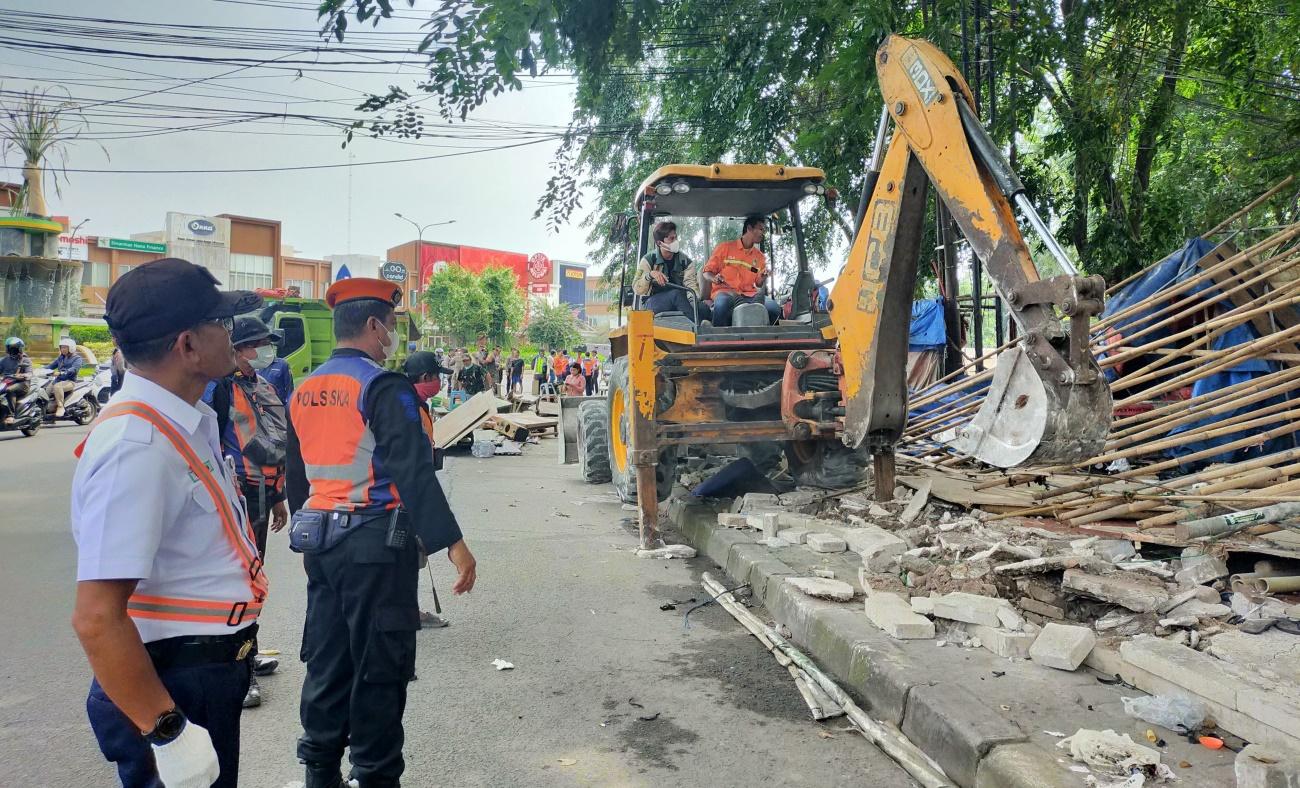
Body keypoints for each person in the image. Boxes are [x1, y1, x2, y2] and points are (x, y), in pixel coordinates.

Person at [70, 258, 266, 788]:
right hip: (169, 681)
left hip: (198, 671)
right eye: (221, 323)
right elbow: (96, 618)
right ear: (188, 345)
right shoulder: (138, 445)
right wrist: (167, 729)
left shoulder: (182, 421)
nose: (232, 335)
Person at [286, 278, 475, 788]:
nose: (393, 336)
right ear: (374, 325)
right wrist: (453, 544)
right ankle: (373, 774)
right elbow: (413, 470)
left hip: (321, 544)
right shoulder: (382, 387)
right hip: (374, 546)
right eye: (391, 325)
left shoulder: (304, 390)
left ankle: (320, 772)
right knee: (379, 669)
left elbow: (297, 477)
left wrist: (308, 533)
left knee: (327, 661)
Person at [202, 315, 290, 710]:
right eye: (256, 345)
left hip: (262, 495)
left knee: (253, 581)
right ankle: (240, 671)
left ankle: (247, 653)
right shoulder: (217, 389)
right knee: (239, 584)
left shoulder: (261, 385)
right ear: (237, 350)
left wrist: (278, 495)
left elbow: (274, 442)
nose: (264, 351)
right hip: (235, 498)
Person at [703, 215, 781, 327]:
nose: (763, 233)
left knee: (774, 309)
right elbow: (707, 273)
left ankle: (760, 336)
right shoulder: (724, 248)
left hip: (750, 295)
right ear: (749, 228)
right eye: (761, 229)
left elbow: (758, 283)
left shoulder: (760, 257)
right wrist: (714, 278)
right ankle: (716, 333)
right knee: (721, 305)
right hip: (726, 292)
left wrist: (763, 277)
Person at [633, 221, 701, 319]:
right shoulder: (648, 260)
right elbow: (637, 288)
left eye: (676, 237)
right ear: (659, 243)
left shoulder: (685, 261)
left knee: (702, 308)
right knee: (676, 294)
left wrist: (694, 301)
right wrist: (650, 275)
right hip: (652, 303)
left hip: (680, 301)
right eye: (671, 238)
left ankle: (706, 325)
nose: (676, 241)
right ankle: (697, 326)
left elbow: (691, 285)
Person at [48, 336, 86, 417]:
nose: (62, 349)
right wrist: (39, 370)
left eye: (65, 347)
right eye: (61, 347)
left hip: (70, 382)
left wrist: (60, 373)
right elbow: (50, 366)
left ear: (71, 348)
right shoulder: (61, 358)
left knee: (57, 387)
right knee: (45, 389)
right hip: (58, 380)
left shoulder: (77, 359)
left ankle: (60, 407)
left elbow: (74, 369)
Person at [2, 336, 32, 423]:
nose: (12, 350)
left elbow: (29, 373)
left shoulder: (25, 360)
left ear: (19, 348)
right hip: (7, 382)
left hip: (22, 384)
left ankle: (10, 415)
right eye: (10, 348)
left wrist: (23, 375)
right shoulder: (4, 360)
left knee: (9, 390)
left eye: (14, 348)